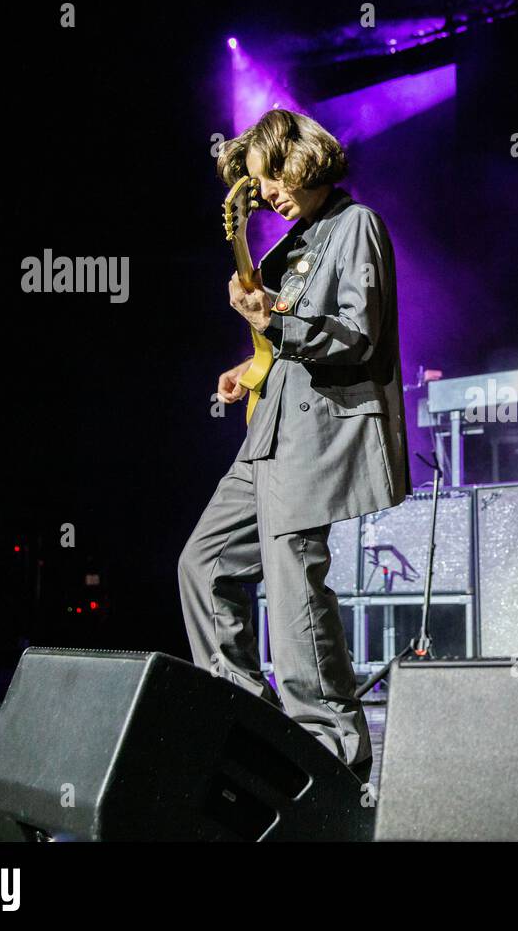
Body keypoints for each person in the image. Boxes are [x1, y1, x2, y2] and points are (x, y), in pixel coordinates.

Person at [178, 108, 409, 778]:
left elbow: (353, 334)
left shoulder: (354, 225)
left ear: (303, 158)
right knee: (203, 564)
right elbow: (282, 342)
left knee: (293, 590)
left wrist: (272, 320)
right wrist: (249, 366)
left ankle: (334, 751)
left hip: (316, 435)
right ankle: (247, 717)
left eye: (272, 177)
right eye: (258, 183)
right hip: (269, 434)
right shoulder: (298, 240)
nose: (269, 194)